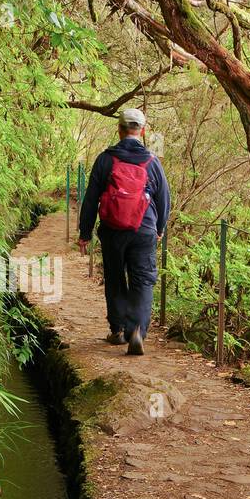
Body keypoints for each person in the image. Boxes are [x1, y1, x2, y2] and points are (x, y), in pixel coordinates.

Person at [78, 107, 171, 356]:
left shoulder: (105, 159)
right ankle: (137, 331)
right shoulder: (152, 162)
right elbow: (164, 199)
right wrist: (159, 228)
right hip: (144, 230)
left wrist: (84, 232)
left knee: (116, 277)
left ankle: (118, 330)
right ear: (142, 131)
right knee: (142, 280)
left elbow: (90, 200)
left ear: (119, 130)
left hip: (113, 230)